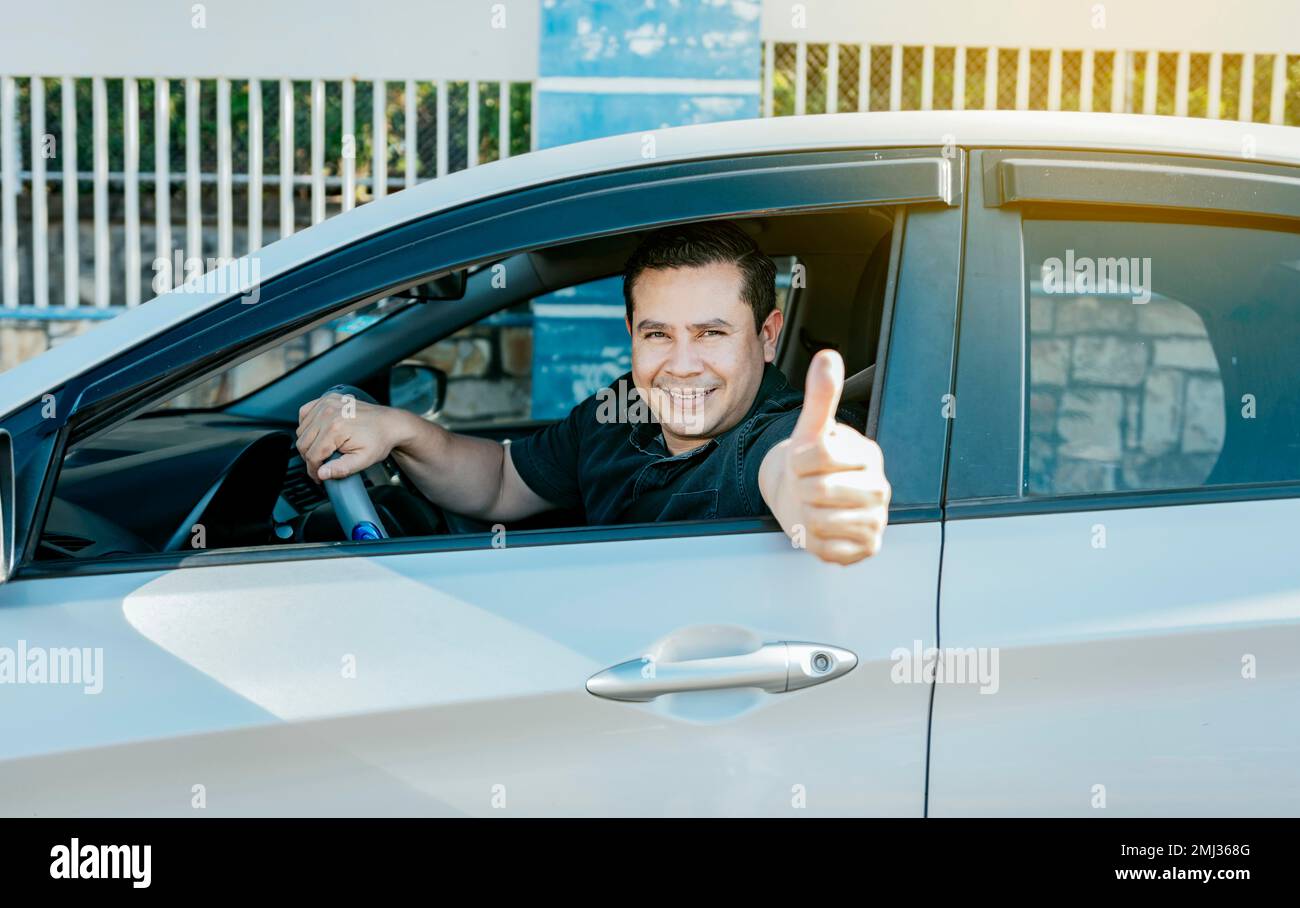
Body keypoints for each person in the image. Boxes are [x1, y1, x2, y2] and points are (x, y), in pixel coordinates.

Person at [296, 221, 890, 565]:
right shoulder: (619, 411)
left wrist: (823, 493)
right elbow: (503, 480)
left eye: (711, 333)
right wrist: (400, 428)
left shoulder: (776, 435)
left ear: (766, 337)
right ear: (631, 333)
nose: (681, 367)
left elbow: (794, 469)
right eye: (658, 334)